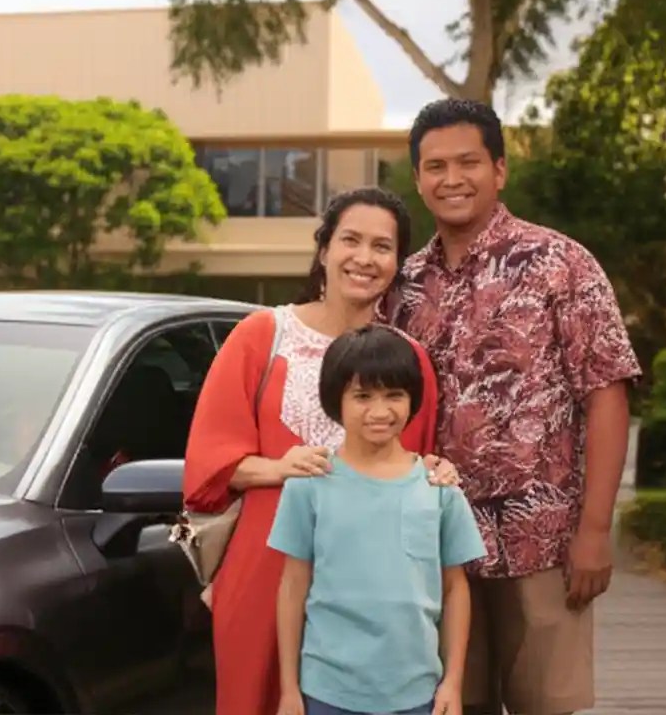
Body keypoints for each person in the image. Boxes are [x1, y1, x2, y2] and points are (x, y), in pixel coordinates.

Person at [391, 98, 643, 715]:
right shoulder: (403, 283)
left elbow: (606, 392)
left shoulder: (561, 263)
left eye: (468, 162)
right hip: (434, 547)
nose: (452, 179)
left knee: (546, 707)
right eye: (435, 166)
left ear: (499, 169)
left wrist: (594, 531)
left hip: (544, 545)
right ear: (419, 178)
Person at [183, 187, 459, 715]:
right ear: (324, 249)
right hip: (267, 566)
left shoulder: (410, 360)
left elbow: (413, 467)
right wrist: (278, 467)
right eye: (350, 240)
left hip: (373, 588)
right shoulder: (261, 336)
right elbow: (206, 465)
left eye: (382, 246)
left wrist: (436, 469)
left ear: (397, 263)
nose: (364, 257)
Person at [268, 324, 487, 715]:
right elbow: (292, 585)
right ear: (335, 400)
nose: (380, 411)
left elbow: (455, 589)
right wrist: (289, 688)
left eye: (394, 395)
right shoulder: (308, 485)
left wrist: (453, 682)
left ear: (412, 400)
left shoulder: (439, 487)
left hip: (417, 693)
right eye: (363, 396)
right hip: (327, 691)